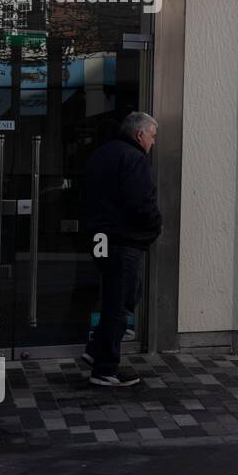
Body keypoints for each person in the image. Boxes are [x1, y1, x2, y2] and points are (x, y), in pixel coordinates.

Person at [83, 111, 162, 387]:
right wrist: (155, 227)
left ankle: (97, 352)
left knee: (120, 297)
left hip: (101, 238)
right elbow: (141, 203)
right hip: (122, 240)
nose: (153, 142)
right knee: (121, 301)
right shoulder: (134, 159)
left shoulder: (103, 154)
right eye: (152, 136)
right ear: (140, 134)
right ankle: (105, 369)